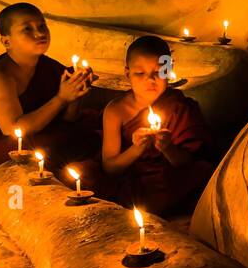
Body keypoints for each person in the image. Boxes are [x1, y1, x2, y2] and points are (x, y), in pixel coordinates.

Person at [0, 2, 97, 184]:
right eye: (27, 29)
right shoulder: (0, 77)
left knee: (86, 133)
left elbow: (67, 120)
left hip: (36, 137)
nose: (40, 33)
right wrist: (61, 98)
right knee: (46, 145)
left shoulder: (50, 67)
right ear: (6, 41)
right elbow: (13, 130)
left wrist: (77, 92)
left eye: (42, 26)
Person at [87, 35, 215, 216]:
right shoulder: (116, 111)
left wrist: (168, 147)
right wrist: (137, 149)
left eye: (159, 72)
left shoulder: (181, 107)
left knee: (202, 173)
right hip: (131, 178)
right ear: (127, 73)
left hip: (167, 178)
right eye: (140, 73)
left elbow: (189, 162)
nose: (150, 80)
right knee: (85, 176)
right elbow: (110, 168)